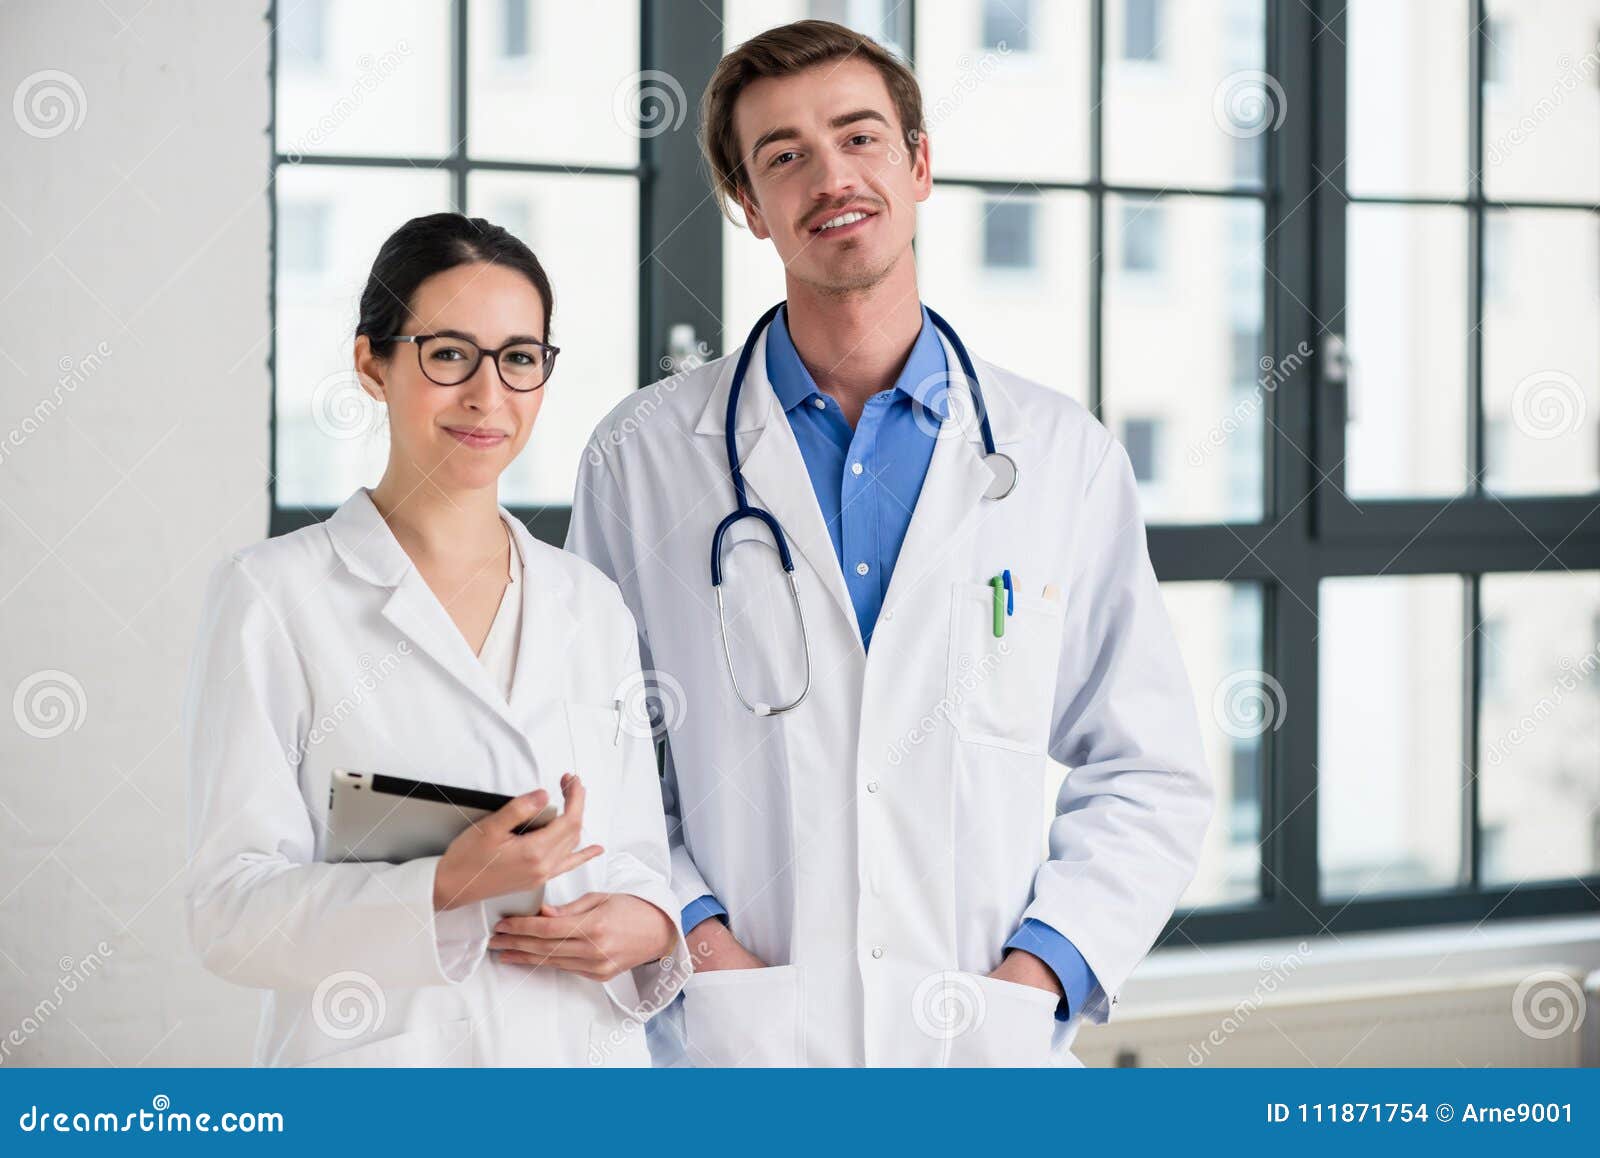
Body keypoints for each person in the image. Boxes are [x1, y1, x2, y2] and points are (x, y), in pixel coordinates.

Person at [566, 21, 1211, 1066]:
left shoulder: (1060, 457)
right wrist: (700, 940)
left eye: (859, 137)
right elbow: (597, 753)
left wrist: (1039, 971)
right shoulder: (640, 459)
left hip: (975, 1045)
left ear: (917, 164)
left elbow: (1149, 769)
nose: (831, 176)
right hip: (740, 1044)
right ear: (747, 203)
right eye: (783, 155)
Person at [184, 213, 689, 1067]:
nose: (488, 396)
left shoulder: (589, 603)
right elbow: (228, 915)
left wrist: (646, 923)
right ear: (371, 364)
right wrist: (444, 886)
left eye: (520, 358)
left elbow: (633, 857)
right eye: (449, 353)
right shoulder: (273, 597)